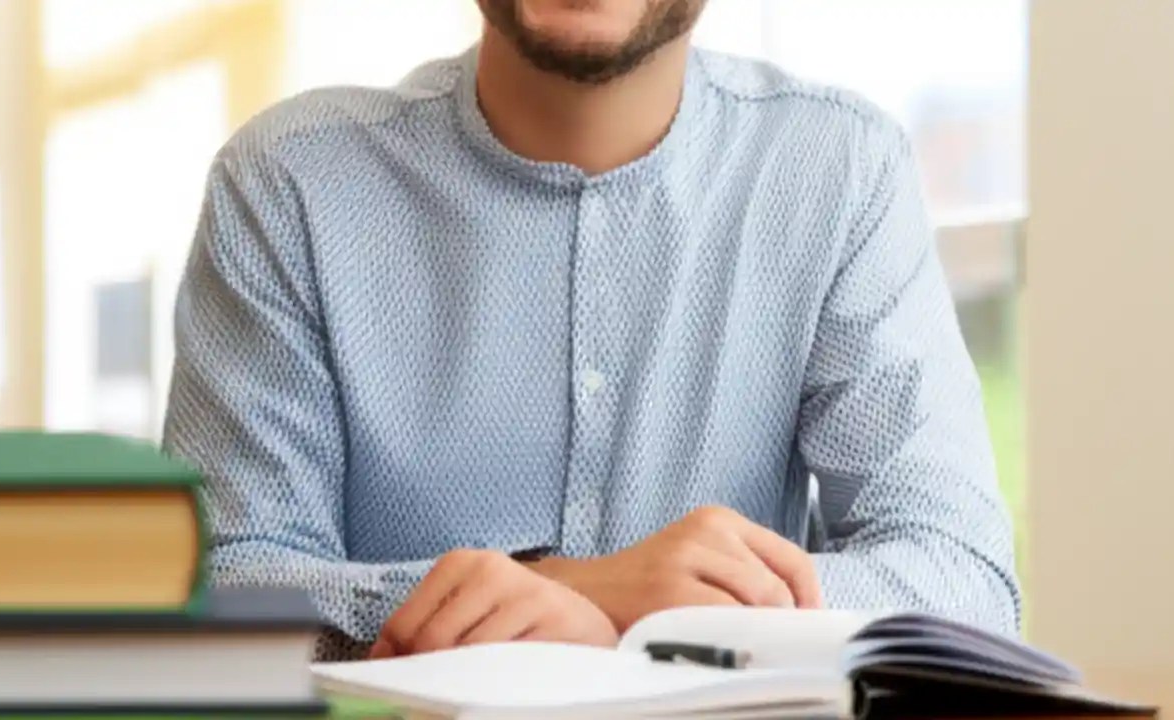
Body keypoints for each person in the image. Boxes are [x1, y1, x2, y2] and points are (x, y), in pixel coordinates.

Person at [163, 0, 1021, 661]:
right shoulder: (288, 186)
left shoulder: (839, 172)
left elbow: (963, 578)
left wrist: (660, 611)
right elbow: (224, 589)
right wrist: (571, 589)